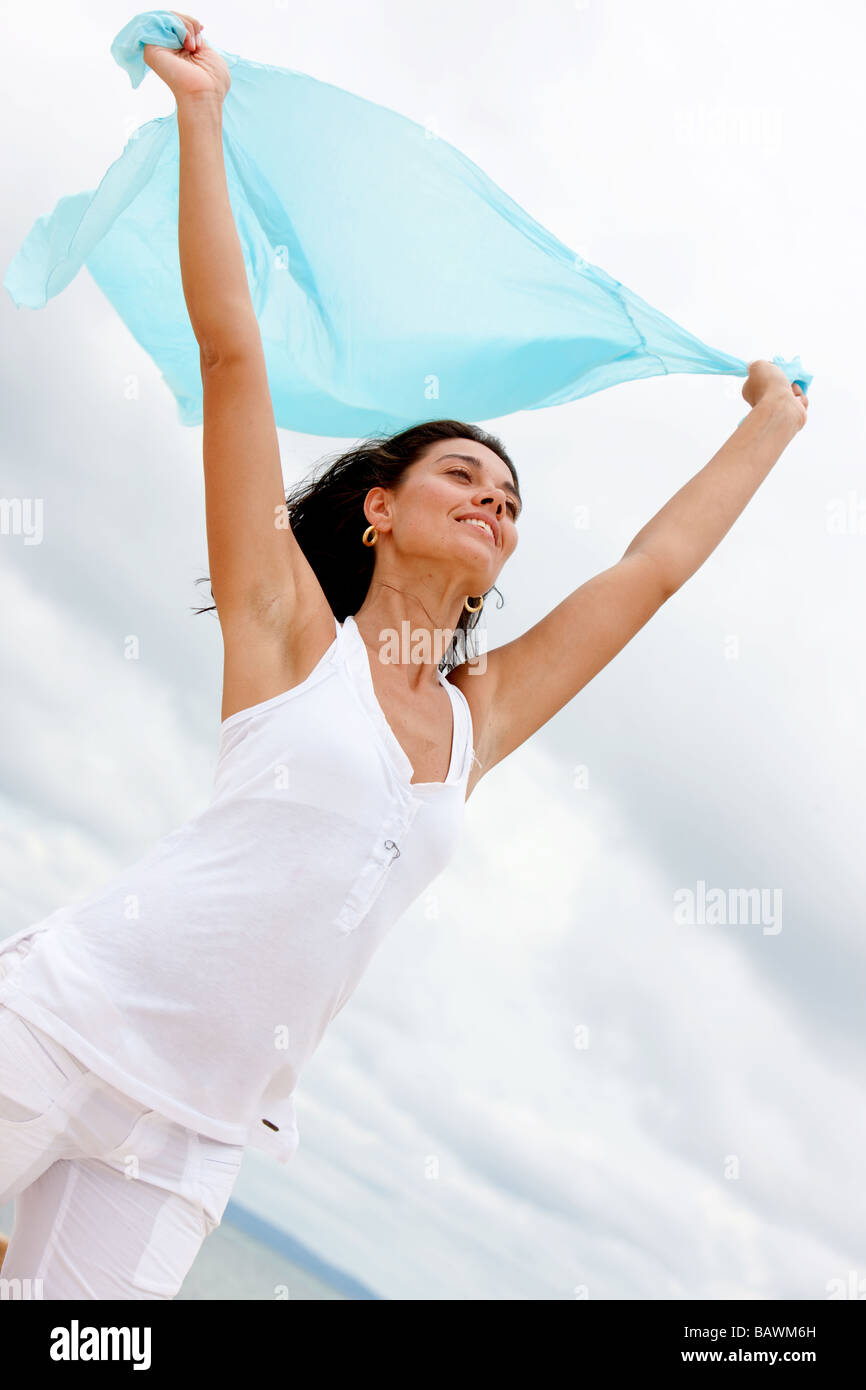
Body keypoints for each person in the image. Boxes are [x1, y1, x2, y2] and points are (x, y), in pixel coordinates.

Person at [0, 13, 809, 1300]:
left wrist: (773, 423)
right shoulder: (285, 629)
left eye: (510, 497)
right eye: (463, 475)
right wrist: (201, 118)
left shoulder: (480, 714)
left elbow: (645, 574)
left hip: (189, 1137)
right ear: (379, 504)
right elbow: (232, 353)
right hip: (49, 1029)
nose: (494, 500)